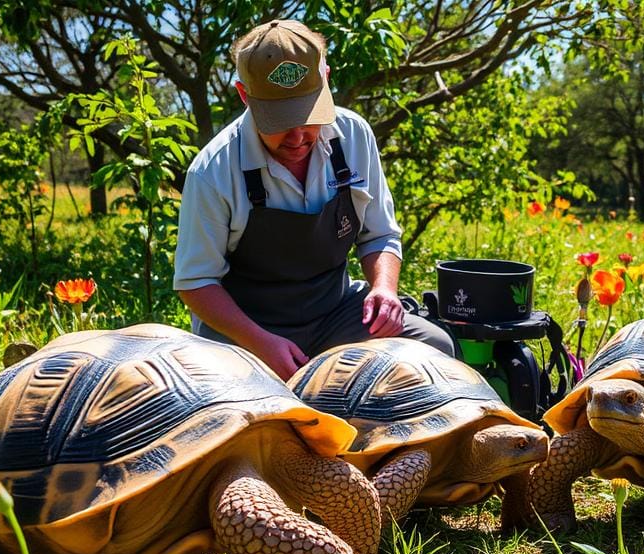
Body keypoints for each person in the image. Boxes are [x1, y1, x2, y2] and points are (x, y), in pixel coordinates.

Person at [173, 19, 454, 380]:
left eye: (308, 115)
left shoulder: (354, 136)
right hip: (245, 334)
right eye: (280, 120)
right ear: (244, 95)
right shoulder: (213, 170)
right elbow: (196, 282)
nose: (298, 136)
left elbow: (380, 236)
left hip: (335, 314)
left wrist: (384, 289)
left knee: (435, 348)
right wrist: (261, 342)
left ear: (326, 79)